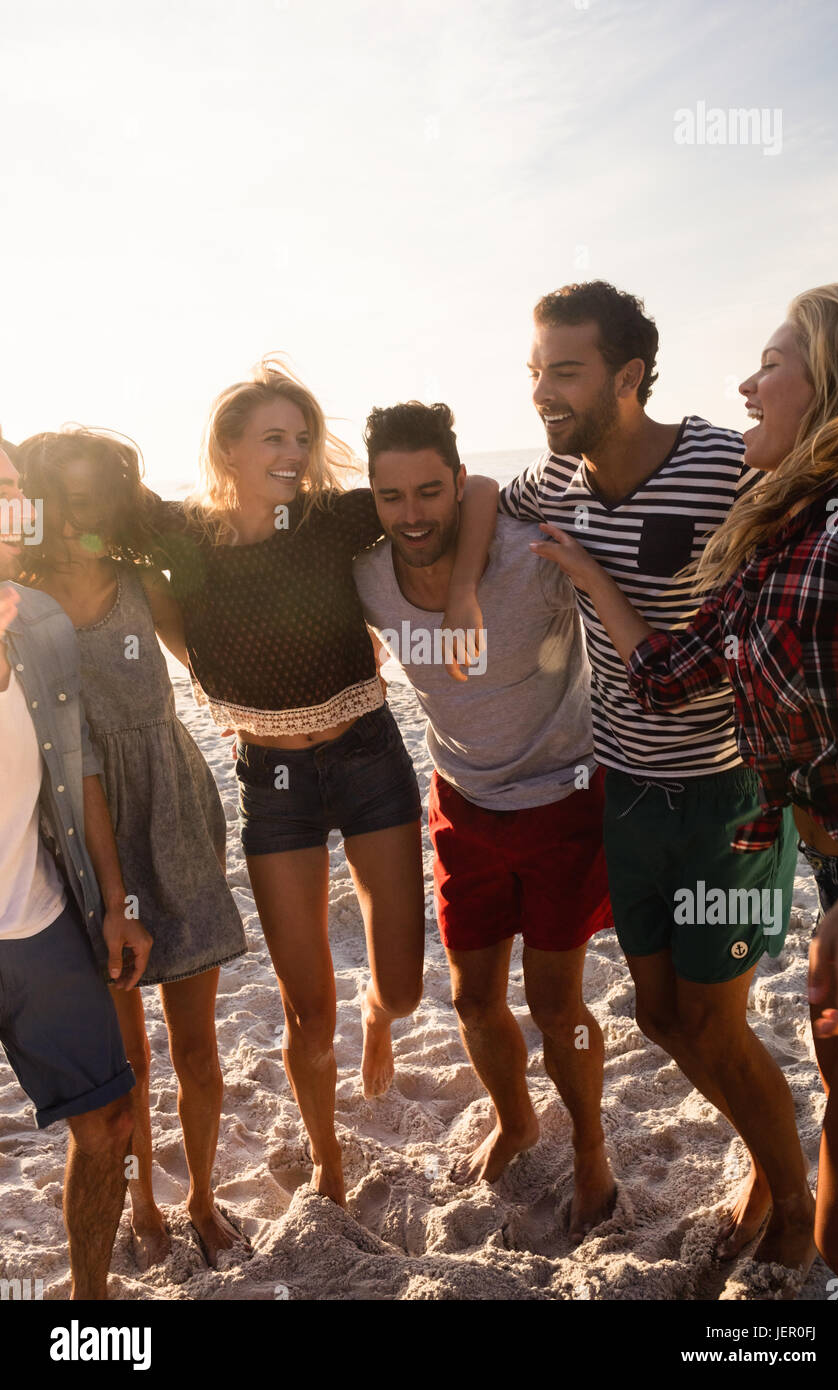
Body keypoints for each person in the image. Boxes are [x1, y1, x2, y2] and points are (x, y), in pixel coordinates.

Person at [532, 281, 838, 1280]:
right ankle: (789, 1184)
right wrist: (590, 580)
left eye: (769, 364)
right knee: (667, 1017)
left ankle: (793, 1200)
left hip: (767, 830)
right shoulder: (780, 534)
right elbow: (669, 673)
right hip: (795, 854)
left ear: (834, 382)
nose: (745, 383)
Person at [147, 358, 497, 1208]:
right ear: (228, 447)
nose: (295, 454)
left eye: (303, 438)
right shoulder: (182, 537)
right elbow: (141, 587)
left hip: (369, 756)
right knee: (306, 1010)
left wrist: (457, 596)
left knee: (406, 987)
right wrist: (210, 677)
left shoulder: (332, 519)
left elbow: (478, 485)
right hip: (270, 781)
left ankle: (378, 1016)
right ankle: (328, 1164)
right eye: (275, 437)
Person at [353, 401, 615, 1239]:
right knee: (470, 999)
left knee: (556, 1004)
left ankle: (591, 1149)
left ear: (457, 483)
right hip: (461, 802)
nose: (413, 514)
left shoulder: (523, 553)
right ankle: (516, 1117)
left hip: (563, 799)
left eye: (430, 490)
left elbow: (506, 491)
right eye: (392, 497)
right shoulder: (364, 570)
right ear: (372, 497)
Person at [15, 428, 250, 1269]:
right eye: (66, 497)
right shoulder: (20, 599)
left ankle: (200, 1195)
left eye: (95, 497)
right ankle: (143, 1200)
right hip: (82, 826)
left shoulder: (143, 585)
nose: (82, 513)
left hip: (173, 809)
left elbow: (215, 670)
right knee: (129, 1055)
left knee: (196, 1044)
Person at [0, 442, 151, 1299]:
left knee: (108, 1123)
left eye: (17, 490)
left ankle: (89, 1308)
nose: (16, 508)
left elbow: (78, 760)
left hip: (40, 924)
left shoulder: (44, 625)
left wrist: (114, 902)